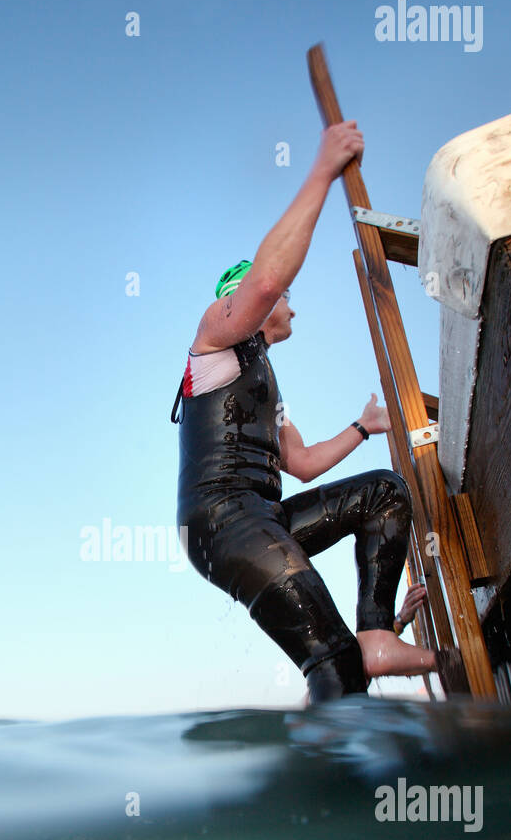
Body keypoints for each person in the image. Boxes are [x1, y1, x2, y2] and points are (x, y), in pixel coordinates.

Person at [171, 121, 465, 703]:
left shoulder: (268, 392)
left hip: (265, 515)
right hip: (220, 520)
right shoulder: (214, 338)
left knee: (384, 492)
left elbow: (302, 464)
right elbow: (267, 279)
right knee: (333, 661)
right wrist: (323, 171)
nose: (292, 310)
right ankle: (333, 780)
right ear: (248, 298)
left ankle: (378, 633)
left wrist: (362, 428)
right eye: (287, 301)